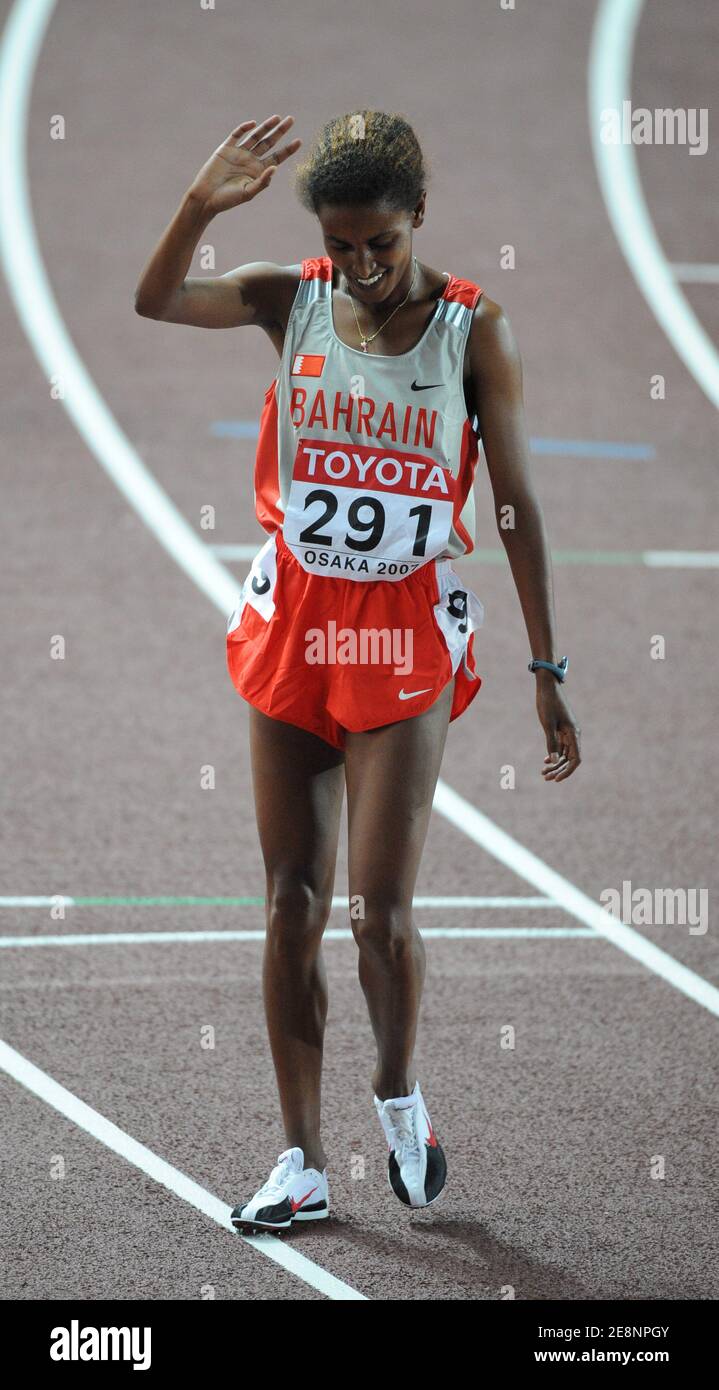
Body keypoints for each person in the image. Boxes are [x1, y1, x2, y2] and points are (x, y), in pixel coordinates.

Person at [135, 109, 581, 1234]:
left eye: (379, 240)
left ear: (416, 217)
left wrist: (543, 661)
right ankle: (299, 1158)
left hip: (399, 635)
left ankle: (395, 1089)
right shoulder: (290, 301)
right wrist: (199, 201)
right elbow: (153, 300)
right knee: (289, 898)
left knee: (375, 914)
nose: (362, 264)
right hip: (295, 618)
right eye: (342, 244)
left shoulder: (471, 332)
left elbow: (516, 505)